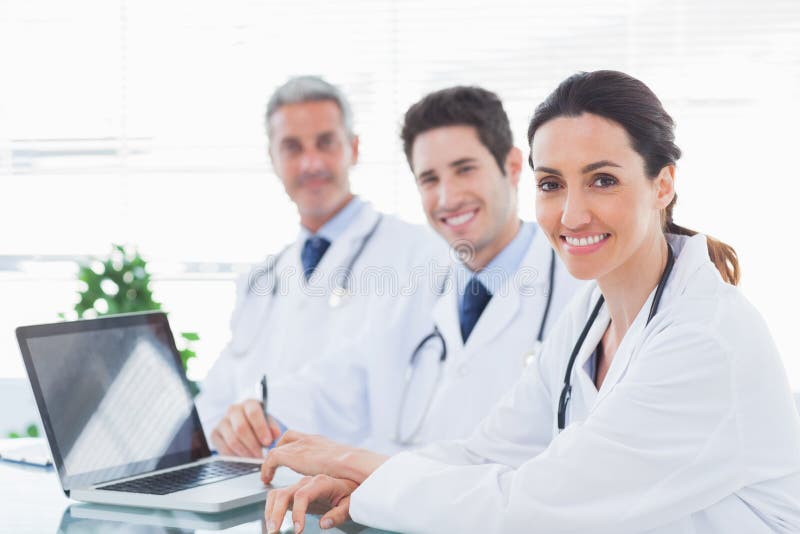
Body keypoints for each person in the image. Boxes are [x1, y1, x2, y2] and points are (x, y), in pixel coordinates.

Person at [258, 70, 800, 534]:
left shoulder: (702, 339)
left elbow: (533, 506)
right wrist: (364, 476)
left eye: (603, 180)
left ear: (663, 185)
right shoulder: (590, 315)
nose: (571, 215)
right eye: (552, 185)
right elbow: (487, 451)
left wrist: (356, 462)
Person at [207, 85, 583, 460]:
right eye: (429, 179)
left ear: (513, 166)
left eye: (465, 169)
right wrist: (261, 407)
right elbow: (345, 378)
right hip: (409, 513)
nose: (448, 198)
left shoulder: (577, 288)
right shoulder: (418, 287)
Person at [194, 76, 446, 454]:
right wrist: (227, 428)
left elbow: (380, 387)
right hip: (252, 488)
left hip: (354, 494)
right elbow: (215, 401)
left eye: (325, 143)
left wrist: (267, 412)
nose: (311, 163)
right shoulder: (260, 278)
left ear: (354, 148)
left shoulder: (420, 254)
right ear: (273, 158)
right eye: (292, 147)